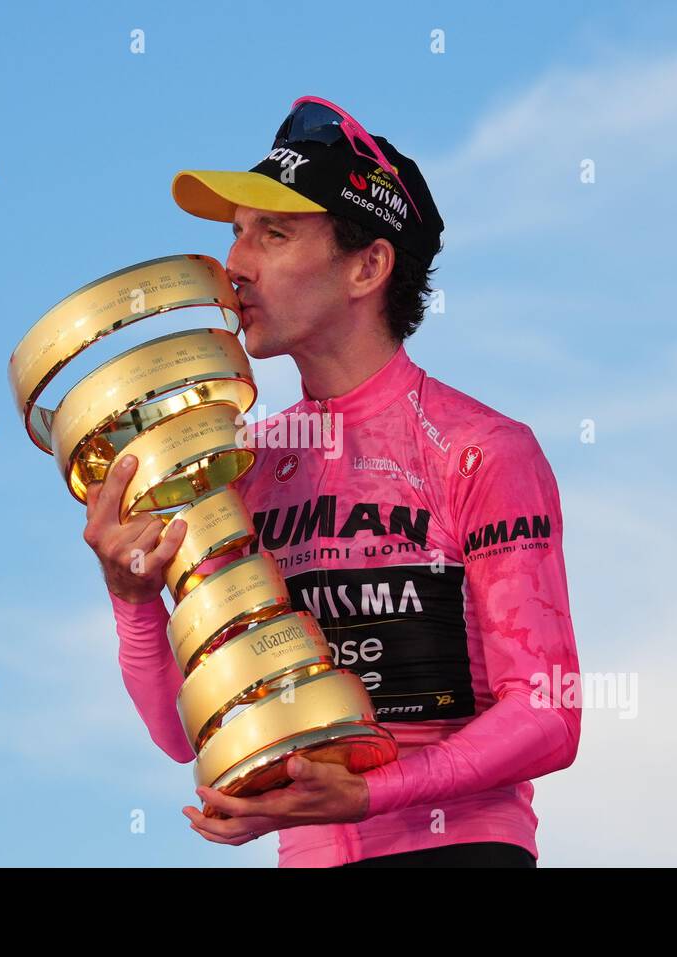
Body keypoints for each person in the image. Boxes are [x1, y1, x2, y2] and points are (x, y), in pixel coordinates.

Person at [80, 95, 582, 868]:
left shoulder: (481, 449)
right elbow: (183, 734)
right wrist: (134, 599)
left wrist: (374, 793)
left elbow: (550, 716)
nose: (234, 266)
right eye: (236, 234)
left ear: (368, 266)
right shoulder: (240, 466)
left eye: (274, 234)